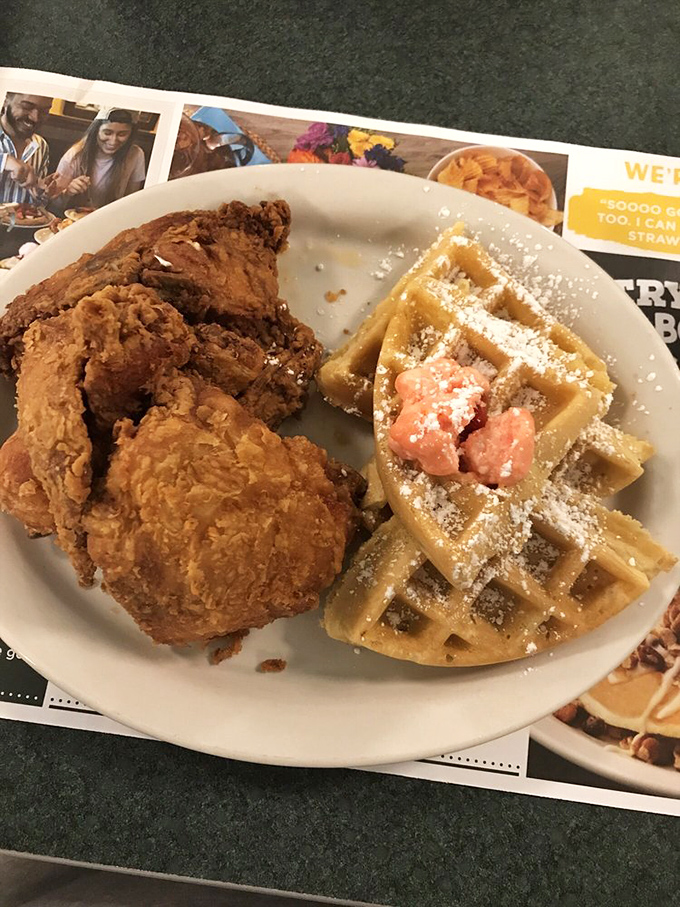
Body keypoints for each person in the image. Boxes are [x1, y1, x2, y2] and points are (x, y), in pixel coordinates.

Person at [56, 108, 146, 209]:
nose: (113, 141)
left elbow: (132, 201)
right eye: (107, 133)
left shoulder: (136, 155)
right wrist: (68, 192)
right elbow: (54, 204)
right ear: (96, 131)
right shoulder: (74, 155)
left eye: (122, 134)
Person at [0, 93, 53, 204]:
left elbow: (37, 204)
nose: (35, 117)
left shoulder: (41, 146)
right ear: (5, 100)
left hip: (18, 220)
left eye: (44, 111)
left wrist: (41, 192)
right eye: (26, 107)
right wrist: (5, 161)